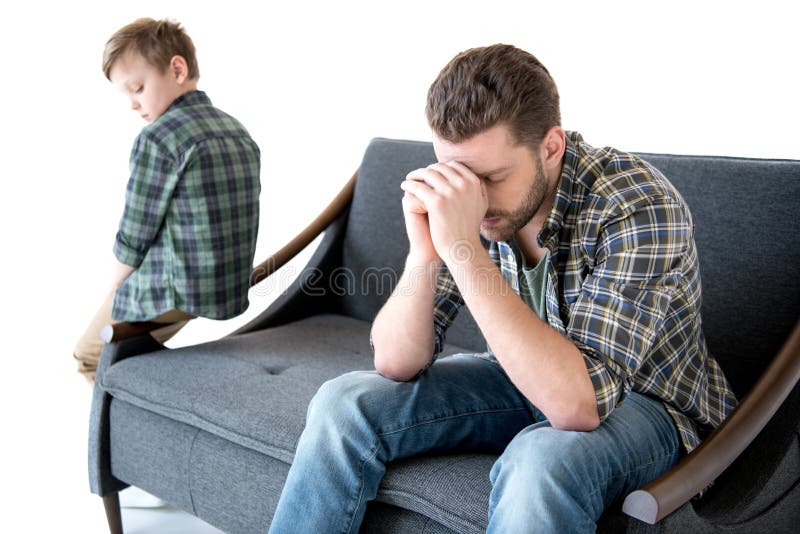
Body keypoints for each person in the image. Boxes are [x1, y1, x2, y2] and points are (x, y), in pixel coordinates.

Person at [268, 44, 737, 533]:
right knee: (344, 404)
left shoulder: (637, 206)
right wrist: (427, 253)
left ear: (550, 146)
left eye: (492, 176)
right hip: (522, 380)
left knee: (541, 459)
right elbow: (395, 361)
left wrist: (464, 251)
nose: (475, 197)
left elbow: (578, 406)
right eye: (459, 175)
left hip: (647, 405)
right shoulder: (473, 202)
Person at [73, 18, 261, 382]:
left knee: (88, 356)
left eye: (138, 88)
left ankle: (135, 426)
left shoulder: (158, 138)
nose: (132, 104)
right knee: (131, 353)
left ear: (177, 68)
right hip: (226, 288)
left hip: (179, 292)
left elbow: (135, 233)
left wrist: (115, 287)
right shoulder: (238, 131)